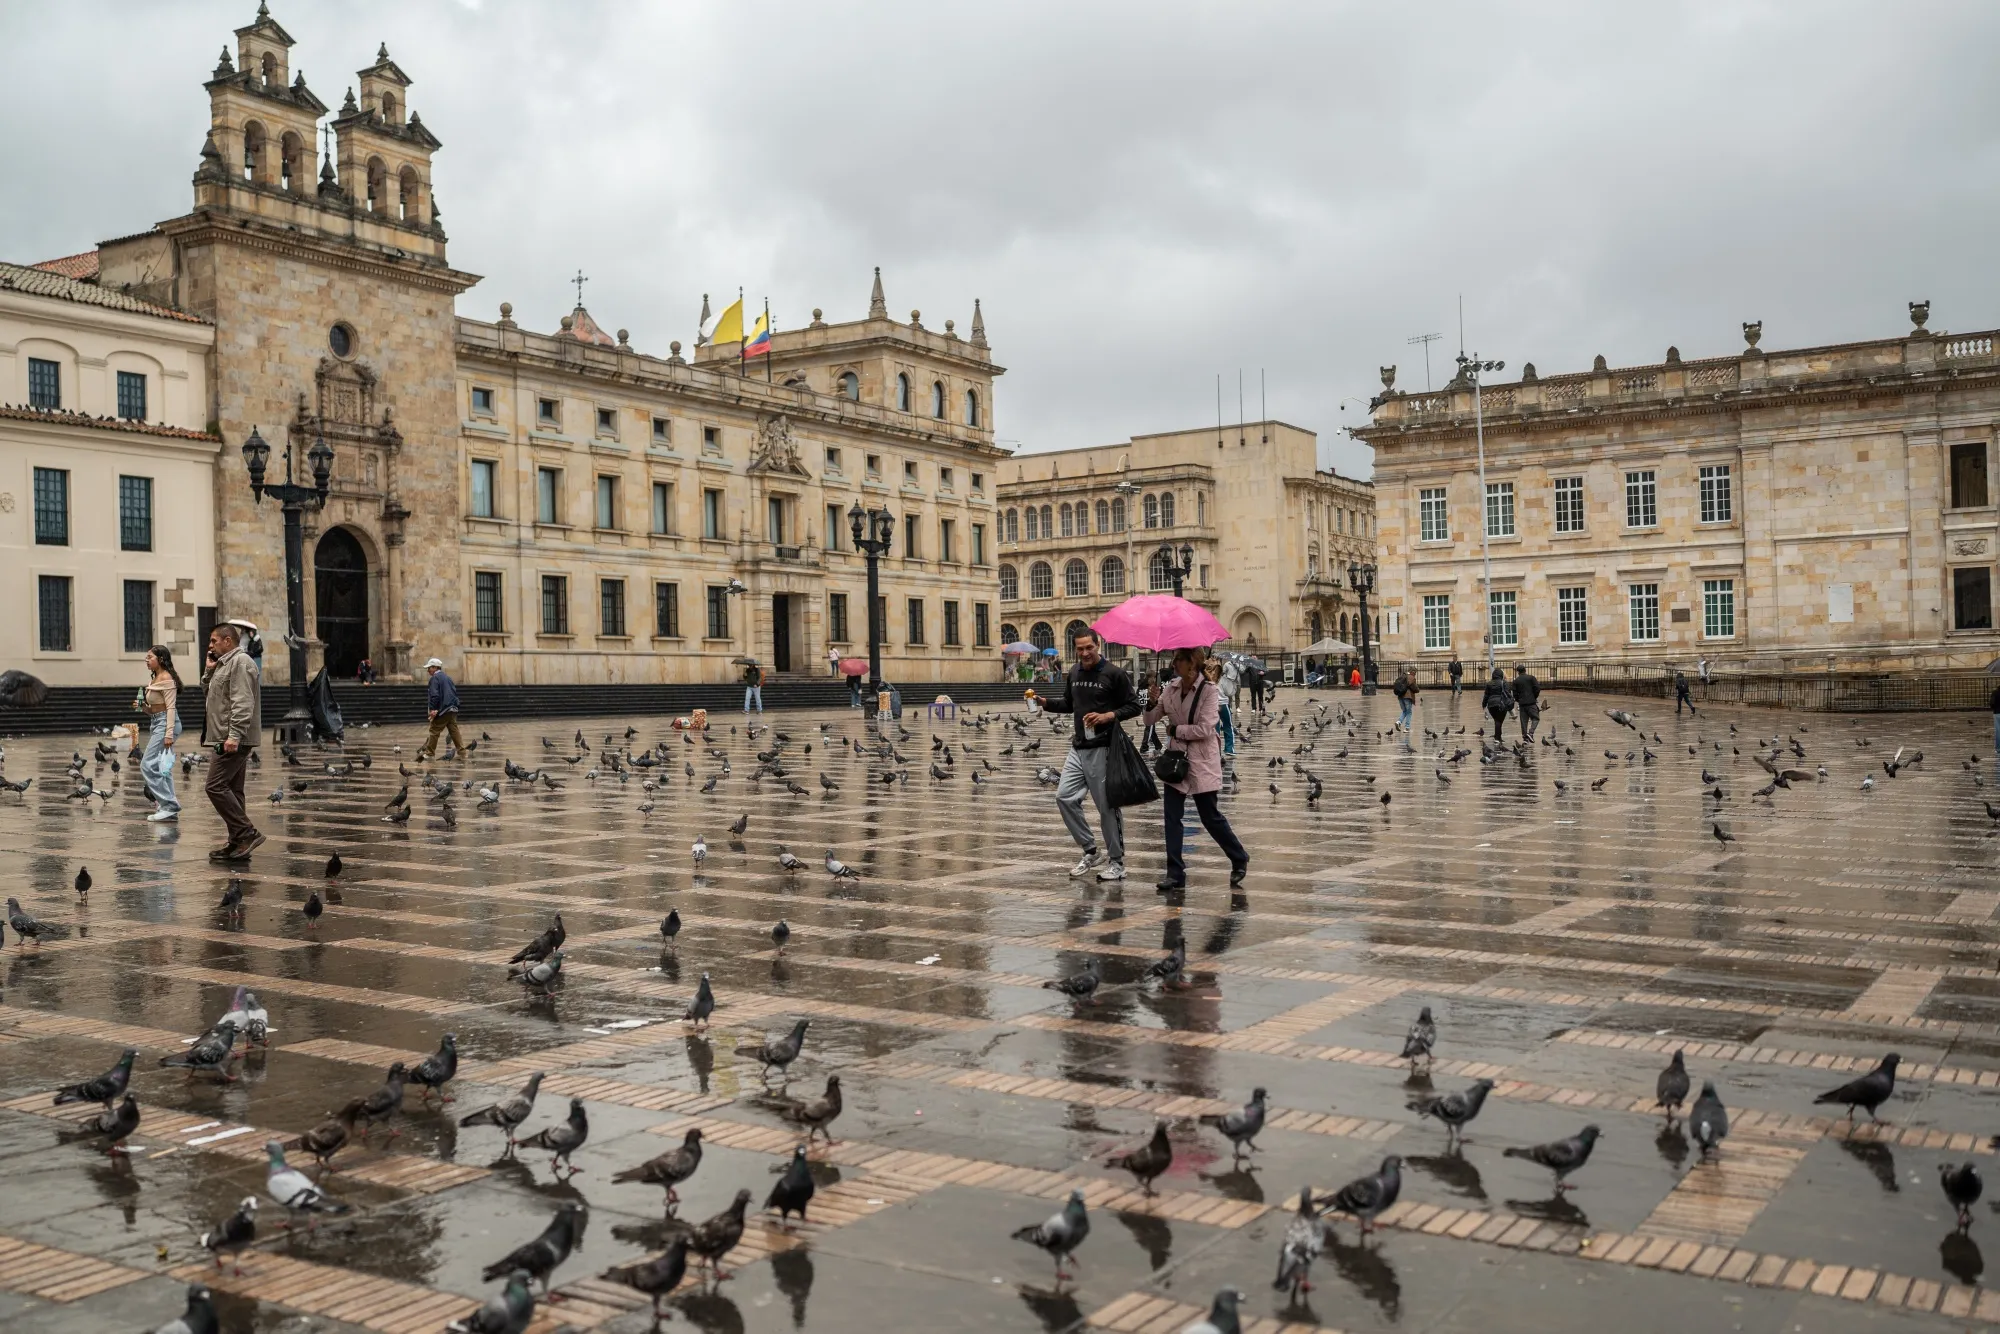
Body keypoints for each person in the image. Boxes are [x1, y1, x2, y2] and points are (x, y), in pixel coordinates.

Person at [1029, 629, 1142, 883]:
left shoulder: (1114, 674)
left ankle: (1117, 862)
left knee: (1106, 807)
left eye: (1089, 647)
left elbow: (1134, 705)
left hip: (1104, 748)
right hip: (1078, 747)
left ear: (1097, 645)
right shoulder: (1075, 673)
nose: (1085, 653)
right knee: (1064, 797)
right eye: (1079, 649)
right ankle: (1091, 851)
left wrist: (1108, 716)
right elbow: (1070, 704)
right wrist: (1045, 702)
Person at [1145, 646, 1249, 891]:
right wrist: (1150, 703)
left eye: (1178, 660)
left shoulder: (1209, 691)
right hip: (1176, 761)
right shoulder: (1170, 688)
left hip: (1202, 759)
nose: (1173, 664)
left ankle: (1239, 857)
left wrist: (1174, 730)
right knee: (1171, 817)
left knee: (1210, 817)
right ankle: (1175, 873)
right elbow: (1150, 720)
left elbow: (1205, 728)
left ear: (1192, 663)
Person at [201, 621, 264, 862]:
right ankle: (238, 842)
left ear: (228, 641)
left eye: (214, 641)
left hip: (233, 738)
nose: (211, 646)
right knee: (234, 790)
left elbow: (242, 701)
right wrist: (209, 670)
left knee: (214, 786)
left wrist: (235, 735)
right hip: (224, 736)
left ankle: (247, 833)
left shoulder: (241, 662)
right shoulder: (224, 664)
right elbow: (209, 694)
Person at [136, 645, 183, 822]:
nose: (146, 660)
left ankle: (170, 805)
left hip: (166, 724)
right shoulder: (155, 678)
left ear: (160, 659)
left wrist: (168, 734)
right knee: (164, 768)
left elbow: (170, 708)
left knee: (147, 765)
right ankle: (169, 808)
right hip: (157, 722)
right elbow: (154, 710)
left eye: (150, 657)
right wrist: (143, 708)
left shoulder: (167, 678)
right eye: (146, 657)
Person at [418, 657, 465, 759]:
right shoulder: (447, 678)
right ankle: (462, 752)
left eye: (429, 668)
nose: (428, 670)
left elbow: (435, 695)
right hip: (452, 708)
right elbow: (454, 692)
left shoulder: (434, 678)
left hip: (443, 709)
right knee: (454, 730)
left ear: (435, 667)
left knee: (434, 730)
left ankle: (430, 753)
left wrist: (433, 710)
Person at [1205, 659, 1235, 759]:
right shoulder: (1222, 678)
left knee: (1216, 729)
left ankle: (1216, 750)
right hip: (1223, 705)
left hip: (1212, 706)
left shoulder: (1205, 679)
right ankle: (1229, 749)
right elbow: (1229, 692)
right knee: (1228, 726)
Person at [1481, 667, 1515, 739]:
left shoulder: (1489, 683)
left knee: (1497, 720)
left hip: (1491, 705)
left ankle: (1498, 736)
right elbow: (1508, 693)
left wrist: (1484, 704)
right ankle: (1498, 737)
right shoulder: (1504, 683)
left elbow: (1486, 695)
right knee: (1499, 721)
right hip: (1501, 704)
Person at [1512, 664, 1542, 741]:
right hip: (1531, 703)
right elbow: (1537, 688)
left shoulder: (1516, 681)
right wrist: (1534, 697)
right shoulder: (1531, 678)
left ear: (1518, 672)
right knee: (1535, 718)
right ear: (1525, 670)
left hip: (1522, 704)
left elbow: (1514, 694)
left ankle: (1525, 738)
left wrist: (1519, 700)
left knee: (1524, 722)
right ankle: (1531, 733)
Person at [1138, 672, 1162, 755]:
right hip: (1148, 709)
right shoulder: (1149, 687)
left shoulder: (1141, 686)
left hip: (1146, 709)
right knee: (1149, 728)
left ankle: (1158, 745)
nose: (1155, 680)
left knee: (1152, 728)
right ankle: (1144, 746)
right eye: (1154, 678)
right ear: (1150, 678)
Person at [1392, 667, 1418, 737]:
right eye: (1415, 672)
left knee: (1404, 711)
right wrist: (1417, 690)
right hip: (1407, 697)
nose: (1415, 674)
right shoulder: (1412, 678)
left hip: (1400, 696)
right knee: (1409, 712)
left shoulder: (1402, 676)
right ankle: (1407, 728)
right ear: (1412, 672)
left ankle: (1398, 722)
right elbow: (1415, 688)